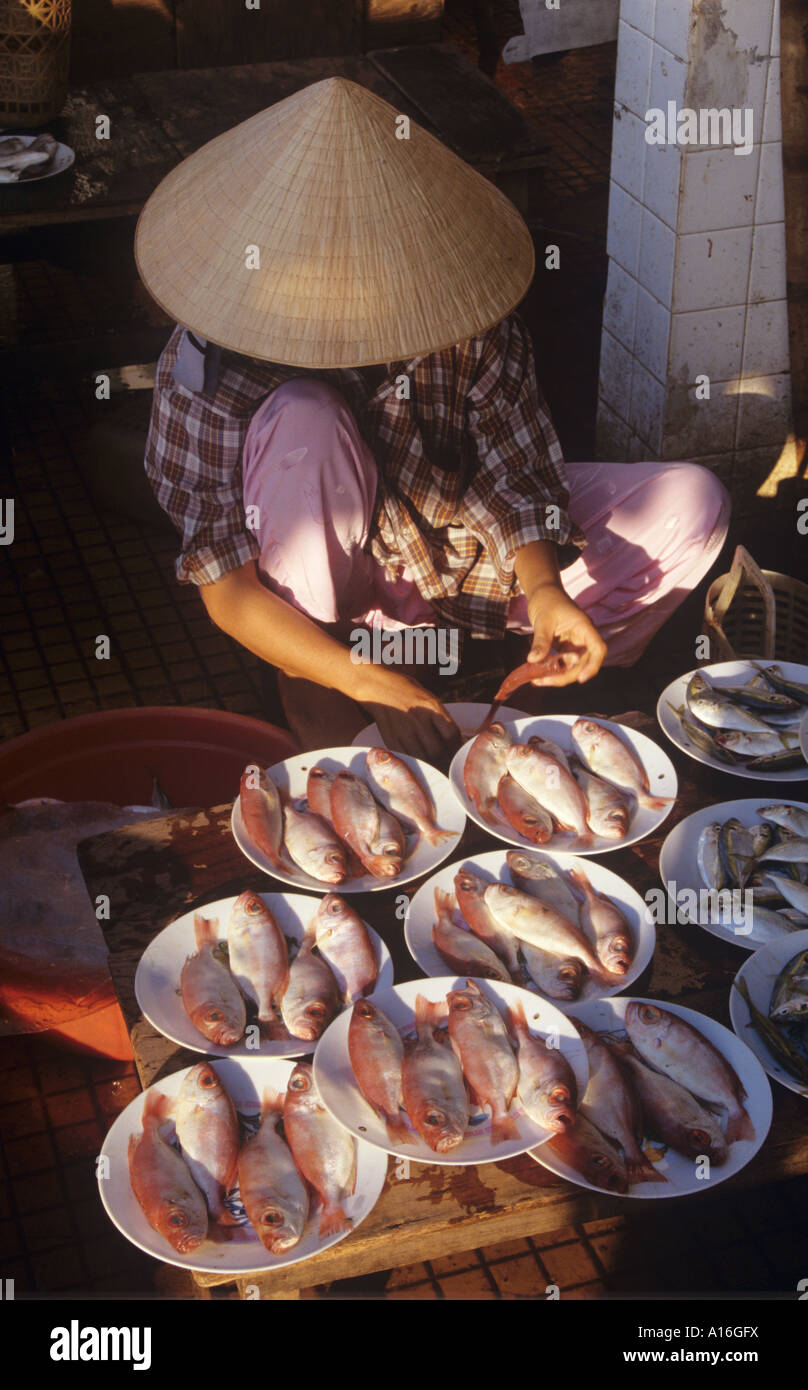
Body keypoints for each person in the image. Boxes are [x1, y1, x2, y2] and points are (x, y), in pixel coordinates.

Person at [138, 78, 730, 759]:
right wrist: (365, 680)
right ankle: (314, 674)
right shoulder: (207, 363)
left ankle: (533, 685)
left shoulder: (455, 302)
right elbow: (228, 591)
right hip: (325, 589)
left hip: (456, 549)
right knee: (305, 418)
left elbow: (522, 474)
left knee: (694, 502)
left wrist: (544, 590)